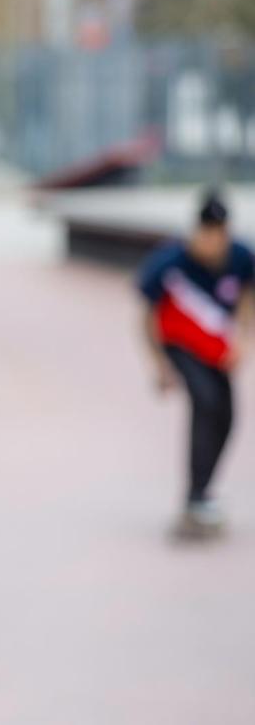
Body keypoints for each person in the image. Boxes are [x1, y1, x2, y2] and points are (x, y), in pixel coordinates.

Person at [139, 189, 253, 538]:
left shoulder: (240, 256)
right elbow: (146, 316)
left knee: (228, 416)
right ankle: (193, 496)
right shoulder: (169, 261)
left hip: (216, 345)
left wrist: (244, 339)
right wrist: (159, 365)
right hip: (178, 344)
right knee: (204, 401)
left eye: (218, 236)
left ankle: (203, 490)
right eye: (206, 235)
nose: (211, 244)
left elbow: (248, 294)